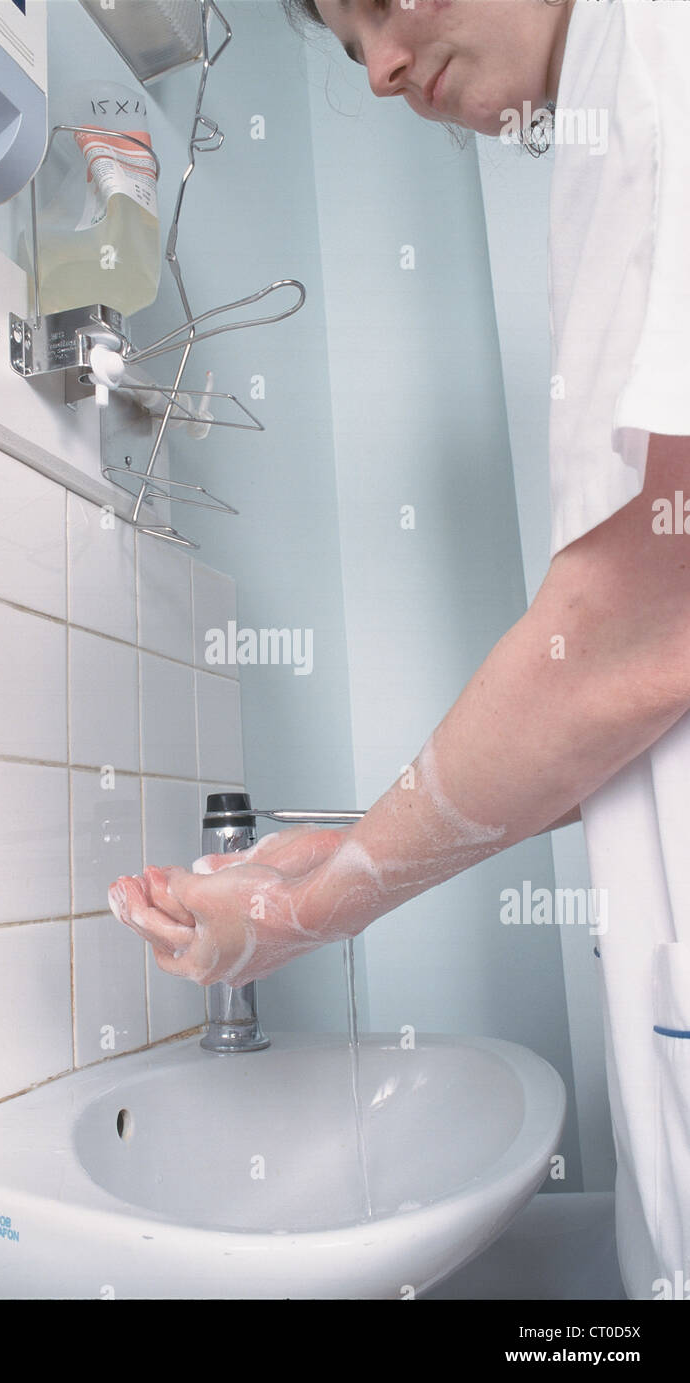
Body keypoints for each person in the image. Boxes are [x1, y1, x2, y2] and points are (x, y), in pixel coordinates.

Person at [110, 0, 690, 1300]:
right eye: (342, 36)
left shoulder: (656, 51)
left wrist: (300, 910)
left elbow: (630, 638)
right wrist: (335, 856)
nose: (376, 70)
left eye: (377, 0)